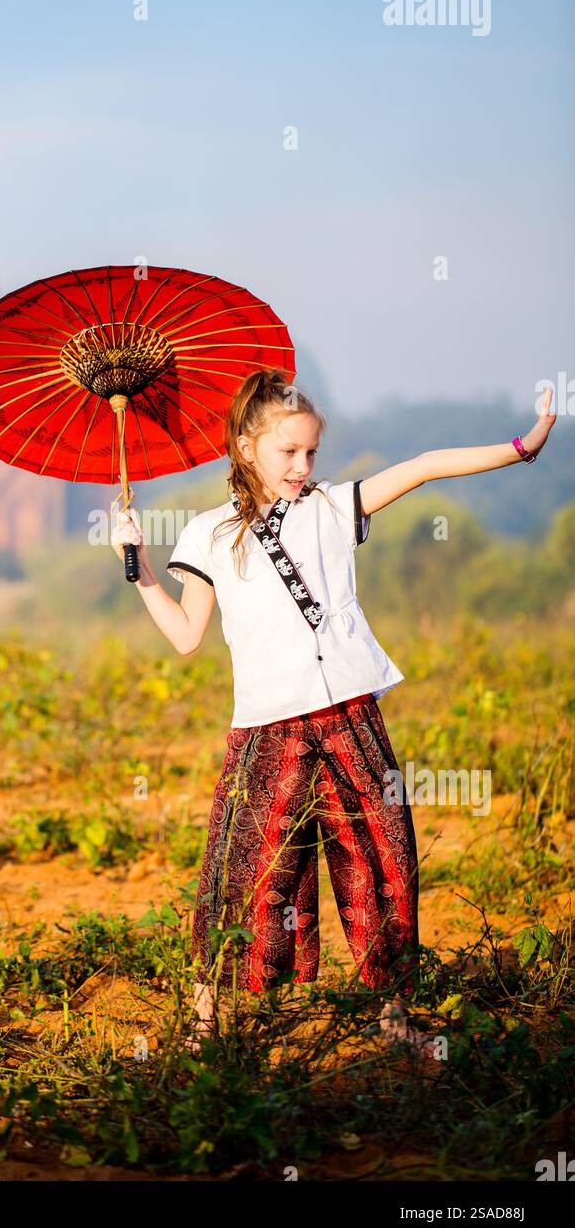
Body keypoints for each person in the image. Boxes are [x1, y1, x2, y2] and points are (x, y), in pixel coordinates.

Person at [111, 370, 556, 1052]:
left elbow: (426, 466)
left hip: (350, 712)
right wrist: (136, 564)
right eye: (289, 453)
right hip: (267, 724)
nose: (303, 466)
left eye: (312, 453)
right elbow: (184, 635)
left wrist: (523, 446)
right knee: (239, 868)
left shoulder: (333, 507)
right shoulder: (205, 534)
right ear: (246, 446)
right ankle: (206, 1023)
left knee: (385, 862)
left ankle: (394, 1020)